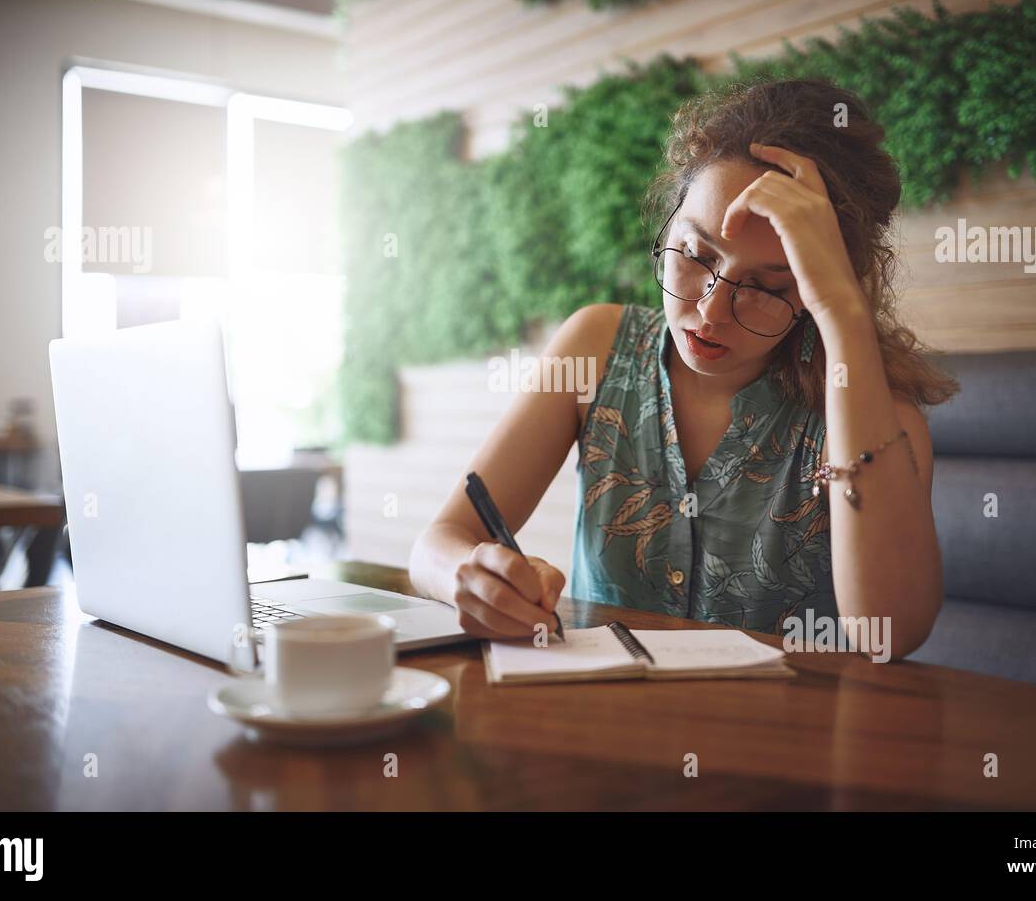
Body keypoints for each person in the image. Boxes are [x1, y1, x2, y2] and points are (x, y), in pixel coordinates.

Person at [409, 77, 958, 660]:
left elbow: (892, 635)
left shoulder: (875, 414)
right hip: (608, 725)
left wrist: (844, 318)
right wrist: (469, 577)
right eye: (696, 256)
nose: (711, 310)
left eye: (768, 287)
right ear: (668, 226)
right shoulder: (597, 347)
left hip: (788, 741)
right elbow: (438, 544)